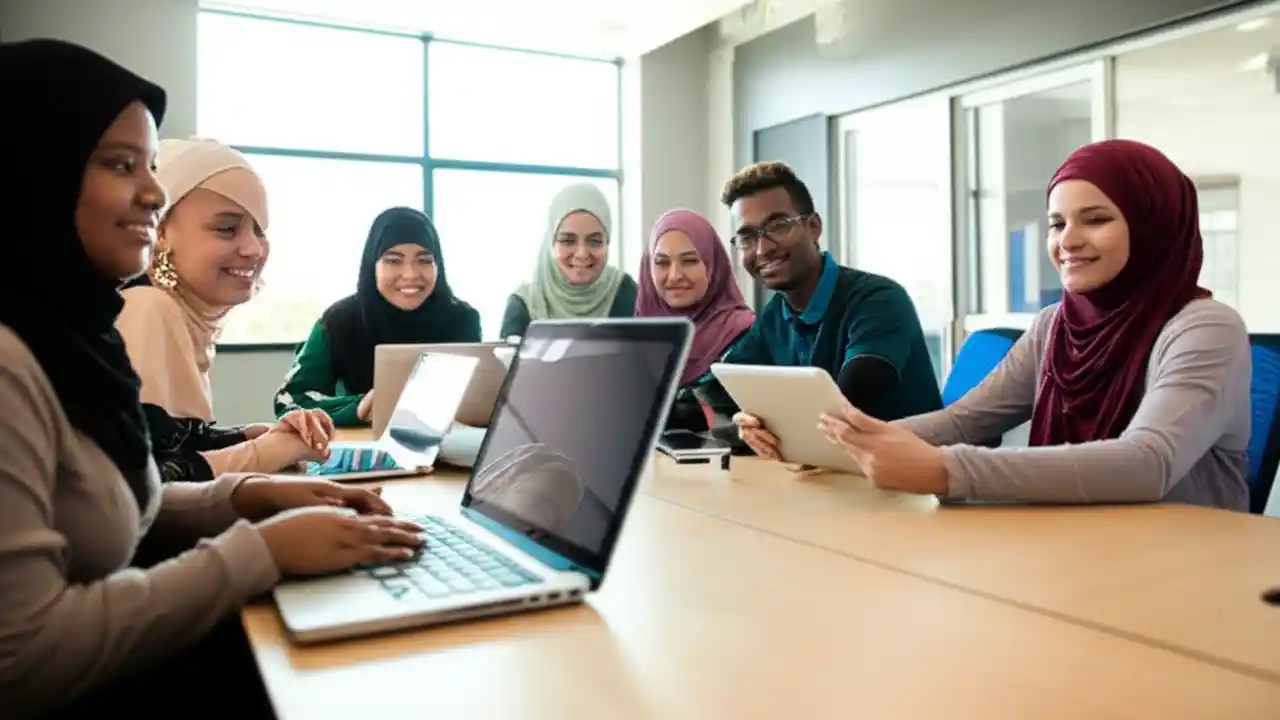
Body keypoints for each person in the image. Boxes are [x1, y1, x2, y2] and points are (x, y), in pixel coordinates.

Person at [0, 39, 423, 717]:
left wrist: (252, 495)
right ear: (33, 170)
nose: (152, 191)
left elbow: (125, 502)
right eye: (118, 164)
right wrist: (259, 548)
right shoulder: (14, 358)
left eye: (151, 166)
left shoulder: (77, 333)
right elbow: (19, 659)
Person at [816, 139, 1250, 511]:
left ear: (1153, 227)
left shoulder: (1205, 329)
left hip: (1182, 565)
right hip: (1072, 545)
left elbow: (1148, 462)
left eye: (1096, 219)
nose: (1068, 241)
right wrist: (836, 444)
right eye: (1057, 224)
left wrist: (946, 470)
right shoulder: (1055, 326)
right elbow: (966, 421)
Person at [115, 137, 330, 482]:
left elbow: (178, 440)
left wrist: (249, 436)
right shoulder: (146, 308)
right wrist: (266, 453)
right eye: (227, 229)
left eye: (260, 230)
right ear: (161, 230)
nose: (253, 249)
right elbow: (150, 483)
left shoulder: (178, 313)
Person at [722, 161, 942, 456]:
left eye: (778, 226)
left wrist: (771, 422)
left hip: (910, 483)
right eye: (747, 237)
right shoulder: (776, 313)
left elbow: (846, 406)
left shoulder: (879, 299)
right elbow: (723, 394)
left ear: (813, 227)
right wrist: (746, 423)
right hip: (831, 475)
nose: (762, 249)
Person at [274, 206, 481, 428]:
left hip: (452, 449)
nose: (410, 274)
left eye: (424, 260)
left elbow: (479, 399)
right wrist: (359, 407)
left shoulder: (462, 319)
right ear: (372, 265)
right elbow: (289, 401)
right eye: (393, 260)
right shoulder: (340, 321)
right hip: (364, 451)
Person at [635, 209, 754, 431]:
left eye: (689, 261)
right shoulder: (638, 338)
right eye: (661, 262)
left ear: (713, 264)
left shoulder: (745, 336)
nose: (674, 275)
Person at [499, 183, 638, 339]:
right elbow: (506, 362)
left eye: (594, 241)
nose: (582, 254)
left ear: (608, 243)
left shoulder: (624, 291)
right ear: (551, 243)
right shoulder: (525, 303)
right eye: (567, 241)